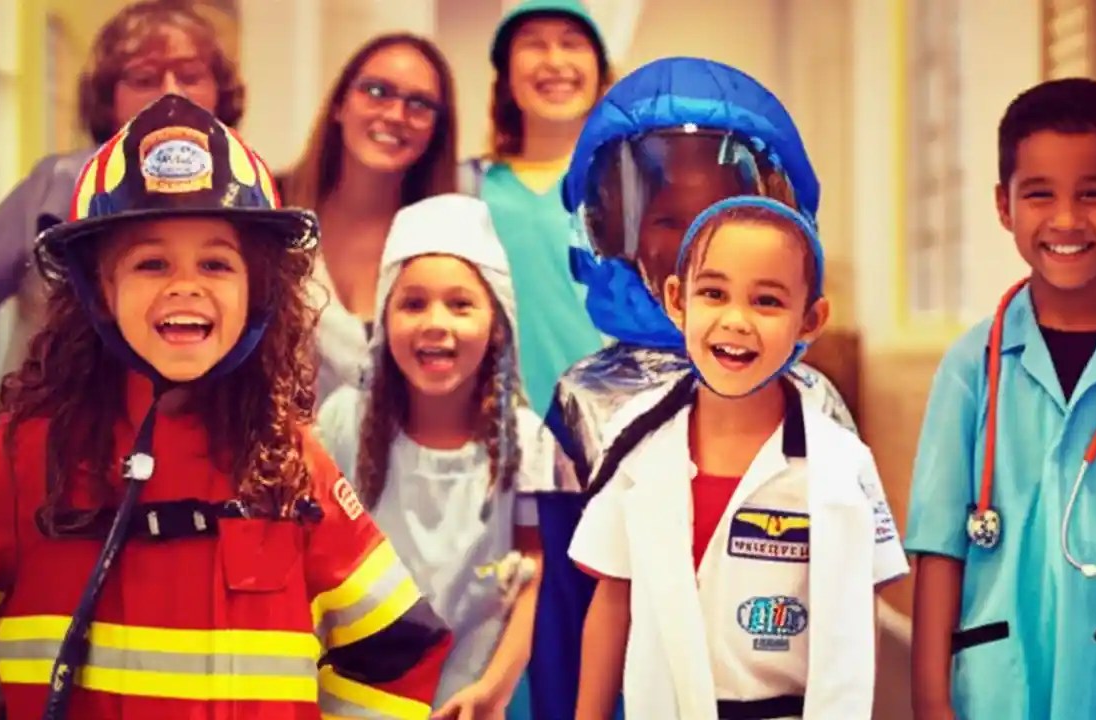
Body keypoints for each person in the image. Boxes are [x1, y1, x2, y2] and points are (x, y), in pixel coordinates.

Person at [0, 95, 449, 719]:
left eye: (216, 263)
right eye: (150, 262)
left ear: (259, 291)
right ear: (100, 293)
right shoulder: (29, 456)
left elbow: (399, 648)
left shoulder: (291, 465)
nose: (184, 285)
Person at [528, 56, 858, 720]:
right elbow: (562, 603)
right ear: (611, 226)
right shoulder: (585, 400)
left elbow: (846, 605)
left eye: (720, 213)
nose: (698, 243)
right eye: (669, 220)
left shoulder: (810, 402)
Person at [570, 195, 908, 719]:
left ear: (810, 319)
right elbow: (613, 603)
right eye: (713, 293)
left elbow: (859, 618)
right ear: (677, 300)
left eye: (767, 301)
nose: (736, 320)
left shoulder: (842, 463)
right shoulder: (635, 448)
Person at [905, 78, 1096, 720]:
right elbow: (940, 550)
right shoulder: (971, 368)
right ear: (1004, 206)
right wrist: (929, 704)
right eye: (1039, 194)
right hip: (990, 690)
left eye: (1094, 193)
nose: (1065, 219)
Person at [0, 0, 243, 461]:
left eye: (189, 75)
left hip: (196, 459)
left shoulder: (244, 194)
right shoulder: (60, 185)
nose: (170, 94)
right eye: (144, 79)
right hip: (46, 455)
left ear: (220, 91)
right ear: (108, 98)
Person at [316, 194, 577, 720]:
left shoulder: (527, 442)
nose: (437, 323)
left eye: (461, 304)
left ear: (497, 322)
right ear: (384, 319)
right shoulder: (343, 423)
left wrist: (495, 689)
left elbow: (538, 572)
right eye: (413, 304)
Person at [281, 34, 458, 403]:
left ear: (436, 131)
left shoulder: (447, 242)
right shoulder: (271, 213)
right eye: (377, 91)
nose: (395, 115)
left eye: (420, 103)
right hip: (278, 457)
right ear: (340, 105)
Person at [460, 0, 611, 419]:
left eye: (572, 43)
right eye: (534, 45)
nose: (555, 60)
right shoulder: (467, 187)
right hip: (495, 438)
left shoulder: (631, 185)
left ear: (600, 69)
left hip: (612, 433)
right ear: (506, 76)